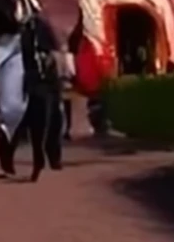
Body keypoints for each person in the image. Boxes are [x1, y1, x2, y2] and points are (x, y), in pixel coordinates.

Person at [19, 13, 64, 181]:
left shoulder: (38, 30)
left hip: (46, 84)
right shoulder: (29, 32)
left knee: (51, 123)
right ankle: (44, 160)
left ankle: (49, 158)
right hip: (40, 85)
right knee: (44, 124)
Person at [72, 28, 114, 137]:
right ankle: (100, 127)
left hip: (90, 81)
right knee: (96, 104)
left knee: (95, 104)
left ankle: (99, 126)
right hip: (92, 81)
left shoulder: (85, 48)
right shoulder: (90, 47)